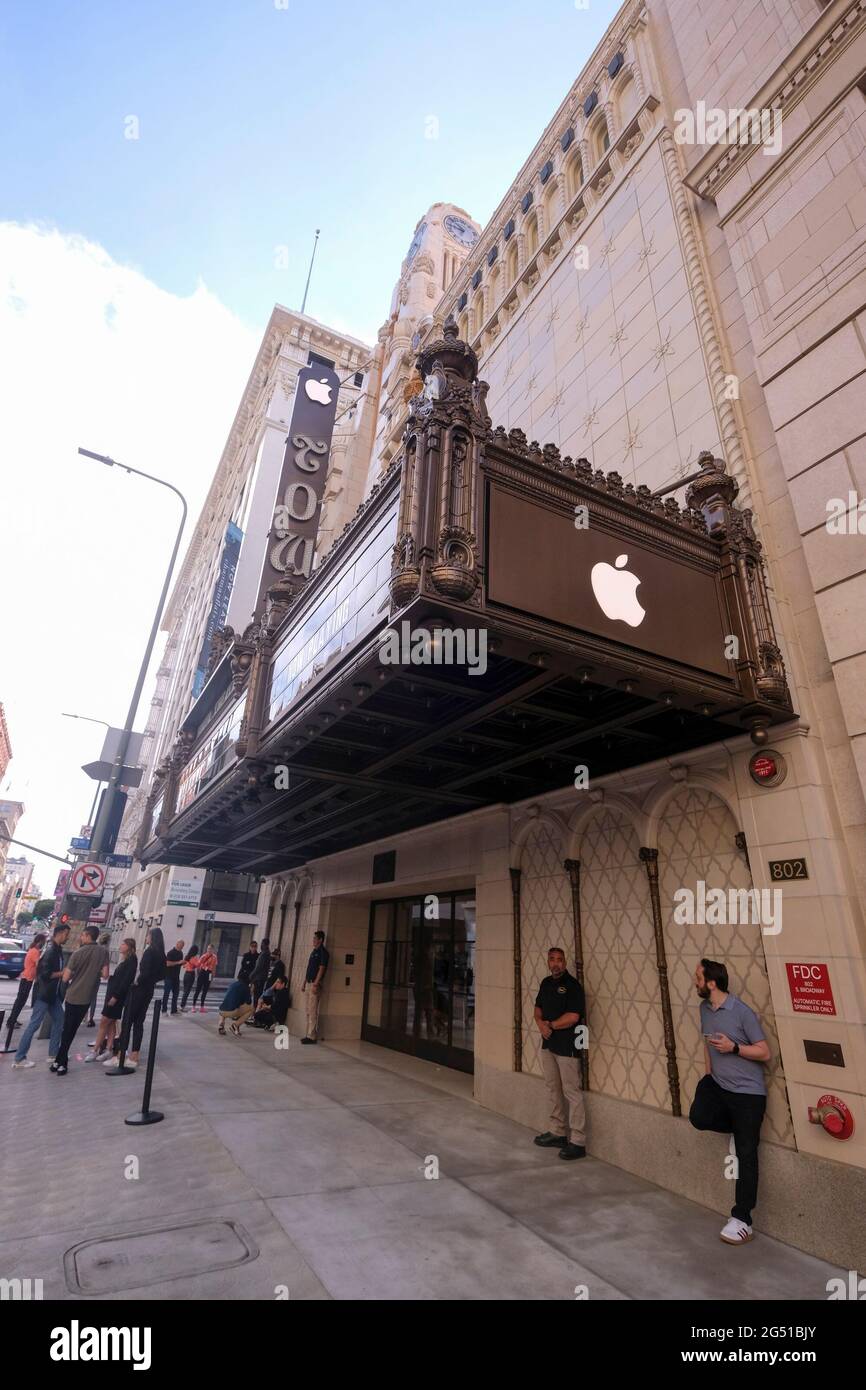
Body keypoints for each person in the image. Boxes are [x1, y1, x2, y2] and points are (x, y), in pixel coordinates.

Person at [689, 958, 770, 1245]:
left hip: (748, 1093)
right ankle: (736, 1127)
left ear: (712, 982)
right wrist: (709, 1075)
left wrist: (734, 1048)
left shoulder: (741, 1012)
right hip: (719, 1086)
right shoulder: (704, 1009)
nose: (695, 981)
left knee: (747, 1154)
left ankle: (742, 1220)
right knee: (698, 1117)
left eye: (698, 977)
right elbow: (707, 1043)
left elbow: (764, 1052)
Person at [532, 947, 587, 1160]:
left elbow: (573, 1017)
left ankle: (578, 1142)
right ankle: (557, 1132)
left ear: (565, 963)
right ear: (548, 962)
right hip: (548, 1045)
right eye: (552, 960)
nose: (556, 963)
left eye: (560, 960)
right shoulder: (546, 983)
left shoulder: (573, 986)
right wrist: (540, 1025)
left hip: (568, 1046)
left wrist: (551, 1026)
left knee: (571, 1092)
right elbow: (537, 1009)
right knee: (553, 1088)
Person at [105, 927, 166, 1070]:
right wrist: (151, 980)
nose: (146, 938)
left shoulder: (149, 952)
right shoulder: (161, 954)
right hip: (149, 990)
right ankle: (134, 1055)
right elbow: (162, 974)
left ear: (152, 937)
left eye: (148, 936)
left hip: (139, 991)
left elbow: (144, 972)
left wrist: (138, 981)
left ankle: (120, 1055)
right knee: (139, 1022)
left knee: (127, 1021)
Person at [52, 925, 110, 1074]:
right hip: (87, 997)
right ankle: (60, 1060)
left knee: (67, 1030)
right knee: (72, 1030)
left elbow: (65, 978)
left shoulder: (77, 953)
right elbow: (105, 974)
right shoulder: (103, 952)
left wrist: (73, 974)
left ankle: (61, 1062)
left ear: (87, 936)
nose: (80, 938)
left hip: (73, 995)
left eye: (82, 935)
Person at [12, 923, 70, 1068]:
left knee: (59, 1020)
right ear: (60, 933)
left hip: (51, 995)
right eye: (67, 934)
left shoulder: (56, 950)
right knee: (34, 1024)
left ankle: (53, 1053)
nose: (68, 937)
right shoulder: (51, 951)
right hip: (44, 995)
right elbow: (44, 974)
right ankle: (19, 1058)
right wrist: (62, 973)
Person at [85, 938, 137, 1063]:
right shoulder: (127, 960)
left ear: (129, 947)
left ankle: (95, 1049)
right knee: (111, 1023)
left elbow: (125, 981)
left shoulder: (131, 960)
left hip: (116, 995)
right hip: (113, 993)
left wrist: (115, 996)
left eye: (123, 944)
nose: (121, 946)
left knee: (104, 1021)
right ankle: (108, 1049)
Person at [3, 931, 46, 1044]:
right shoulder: (35, 952)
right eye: (43, 942)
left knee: (20, 1000)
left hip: (27, 978)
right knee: (20, 1001)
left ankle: (12, 1020)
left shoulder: (32, 950)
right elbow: (38, 965)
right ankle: (11, 1021)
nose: (44, 943)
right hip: (27, 979)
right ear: (40, 941)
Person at [300, 930, 328, 1044]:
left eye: (315, 939)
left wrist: (316, 983)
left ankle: (312, 1036)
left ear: (320, 940)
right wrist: (304, 982)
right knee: (308, 1010)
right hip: (308, 982)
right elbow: (309, 968)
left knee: (312, 1010)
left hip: (315, 984)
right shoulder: (313, 952)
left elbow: (321, 968)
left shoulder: (323, 952)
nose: (313, 940)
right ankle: (308, 1033)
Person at [86, 933, 112, 1026]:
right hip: (96, 976)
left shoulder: (93, 948)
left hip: (87, 975)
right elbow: (105, 971)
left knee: (85, 997)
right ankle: (91, 1018)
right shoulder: (105, 951)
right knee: (93, 998)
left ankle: (83, 1017)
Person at [161, 938, 185, 1015]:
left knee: (176, 994)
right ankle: (164, 1010)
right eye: (181, 945)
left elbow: (179, 964)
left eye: (183, 945)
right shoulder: (170, 953)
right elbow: (167, 963)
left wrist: (183, 963)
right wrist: (178, 962)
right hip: (168, 976)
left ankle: (173, 1010)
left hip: (176, 977)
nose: (182, 947)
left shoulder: (181, 953)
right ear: (177, 944)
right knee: (166, 993)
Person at [192, 943, 218, 1011]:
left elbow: (214, 967)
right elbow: (198, 965)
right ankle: (193, 1006)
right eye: (208, 948)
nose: (209, 950)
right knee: (198, 989)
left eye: (211, 949)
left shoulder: (214, 957)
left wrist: (212, 977)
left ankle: (202, 1007)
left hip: (209, 973)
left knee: (205, 990)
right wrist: (198, 974)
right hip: (202, 972)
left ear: (213, 950)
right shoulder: (203, 956)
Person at [248, 938, 271, 1010]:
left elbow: (259, 967)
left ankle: (254, 1013)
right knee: (256, 996)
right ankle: (254, 1013)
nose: (260, 945)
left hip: (259, 978)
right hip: (260, 978)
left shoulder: (264, 954)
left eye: (261, 944)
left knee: (256, 996)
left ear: (264, 944)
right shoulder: (265, 953)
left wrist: (251, 975)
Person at [180, 944, 200, 1011]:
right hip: (191, 974)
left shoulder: (187, 957)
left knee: (185, 990)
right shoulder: (194, 958)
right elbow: (198, 965)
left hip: (186, 974)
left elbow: (183, 965)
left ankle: (182, 1005)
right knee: (187, 991)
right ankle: (182, 1006)